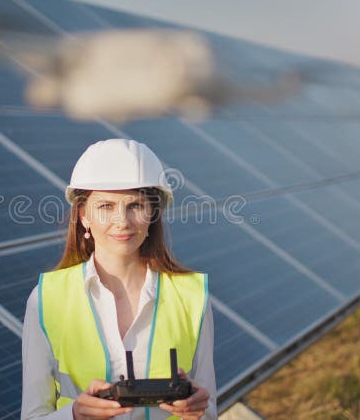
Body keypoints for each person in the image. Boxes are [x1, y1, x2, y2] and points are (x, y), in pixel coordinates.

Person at [21, 138, 217, 419]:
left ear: (153, 213)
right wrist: (75, 414)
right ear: (83, 215)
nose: (122, 221)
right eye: (105, 206)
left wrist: (198, 408)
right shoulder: (44, 300)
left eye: (135, 205)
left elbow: (210, 411)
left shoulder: (194, 297)